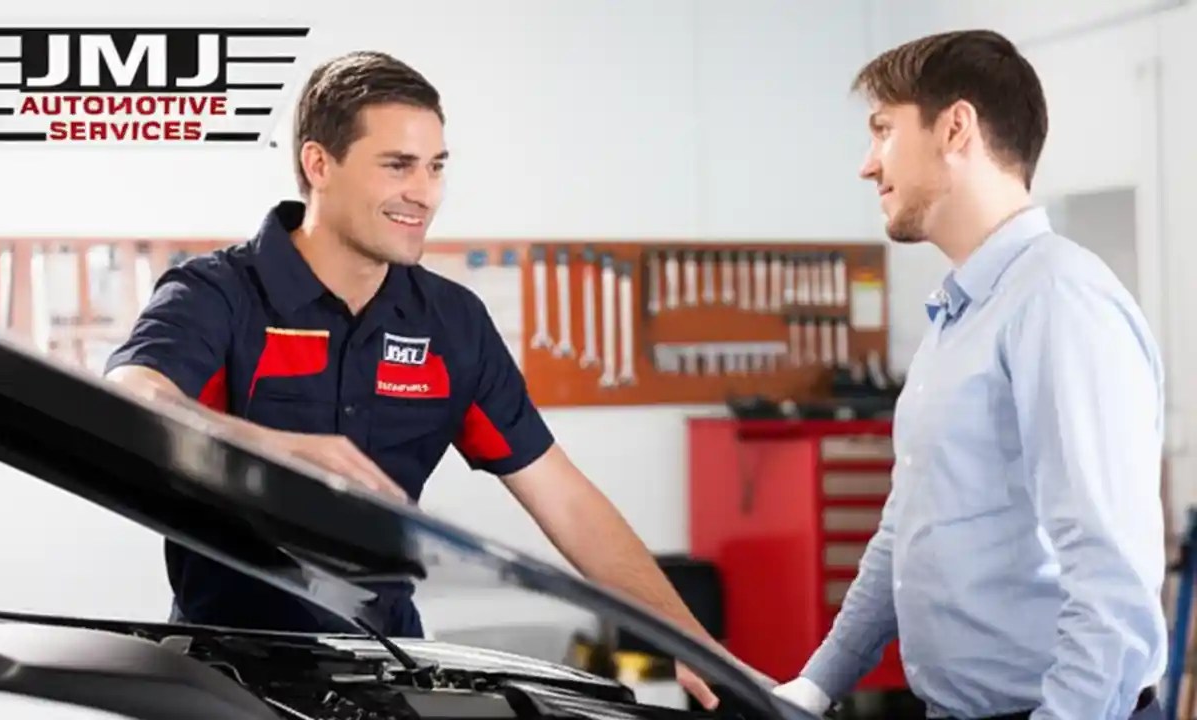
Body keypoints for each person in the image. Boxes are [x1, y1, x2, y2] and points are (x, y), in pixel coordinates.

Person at [103, 50, 723, 708]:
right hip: (224, 681)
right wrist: (272, 447)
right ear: (320, 165)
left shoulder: (450, 324)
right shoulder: (217, 294)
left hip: (386, 671)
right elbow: (132, 397)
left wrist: (686, 637)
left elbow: (565, 499)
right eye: (397, 165)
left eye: (435, 167)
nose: (424, 193)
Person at [772, 30, 1167, 720]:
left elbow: (1113, 583)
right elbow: (906, 530)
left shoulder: (1058, 301)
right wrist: (812, 687)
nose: (868, 165)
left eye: (883, 131)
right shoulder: (961, 315)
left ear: (955, 128)